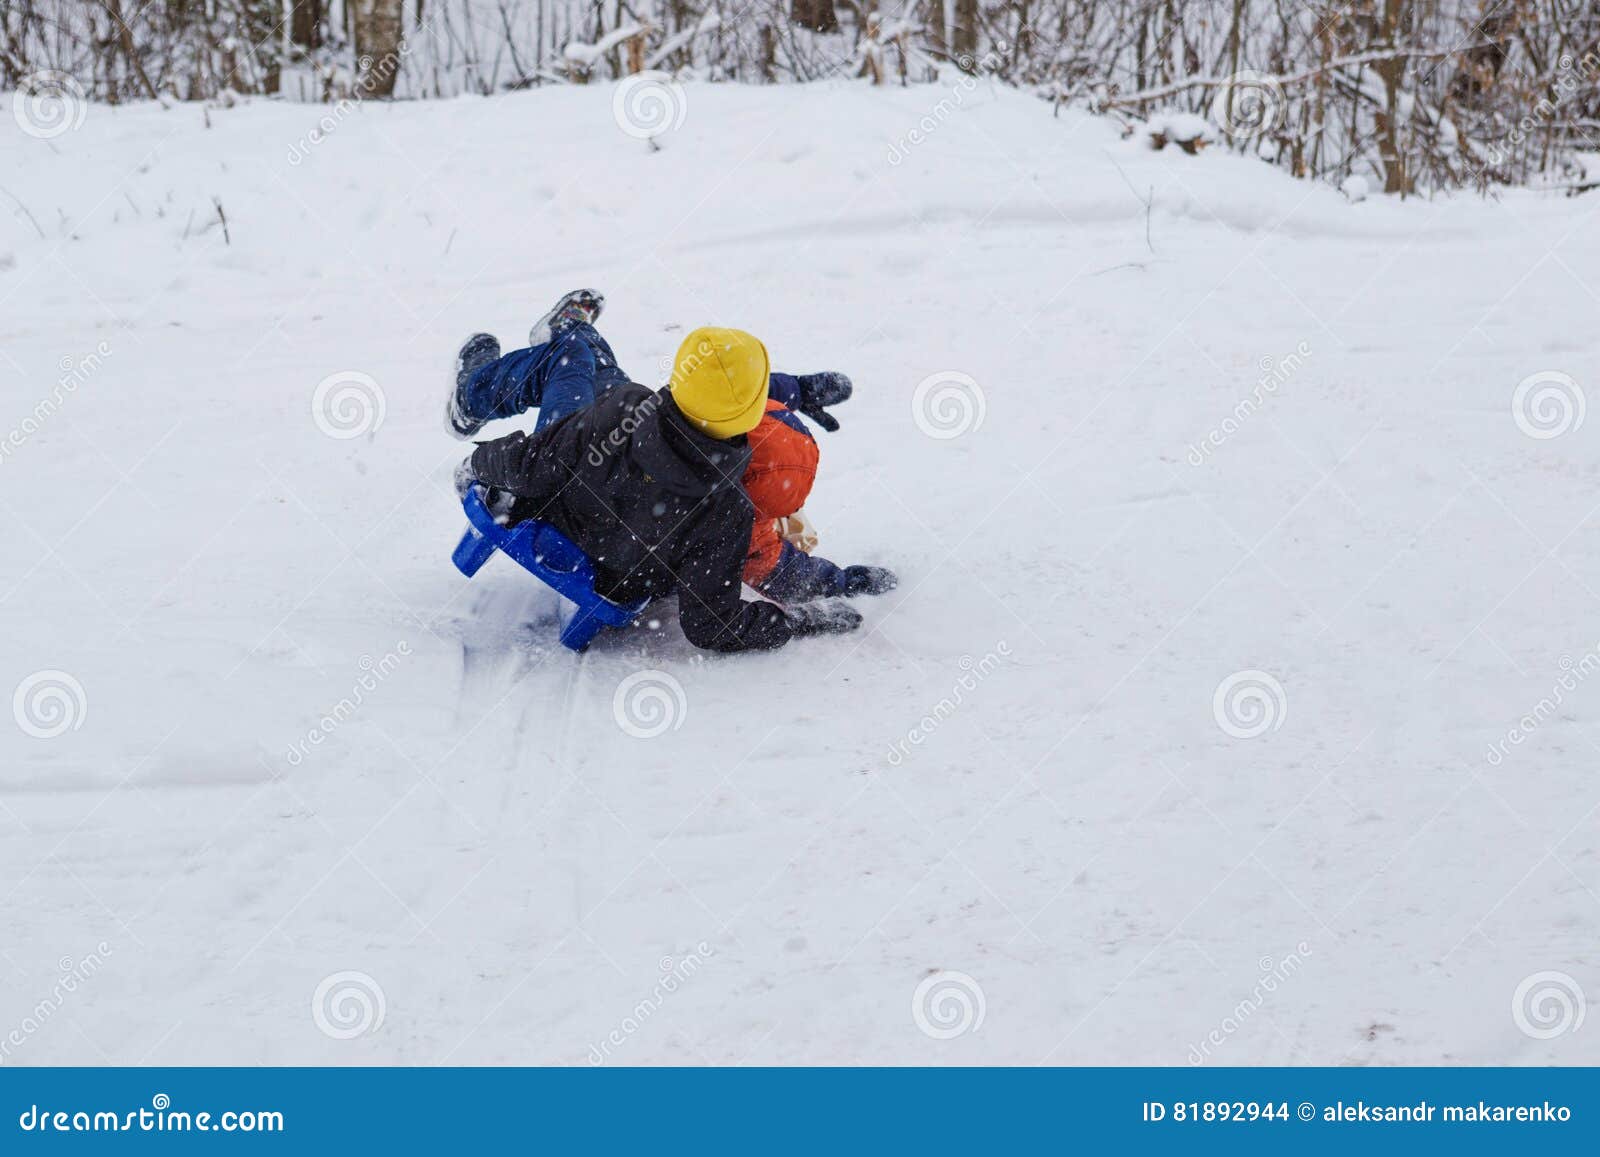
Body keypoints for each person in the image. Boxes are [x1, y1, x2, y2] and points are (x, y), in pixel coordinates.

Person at [447, 292, 886, 652]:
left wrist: (477, 465)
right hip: (616, 578)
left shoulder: (626, 410)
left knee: (574, 362)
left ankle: (478, 391)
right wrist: (800, 619)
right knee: (602, 374)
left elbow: (529, 466)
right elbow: (713, 626)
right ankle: (571, 329)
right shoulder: (727, 512)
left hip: (553, 512)